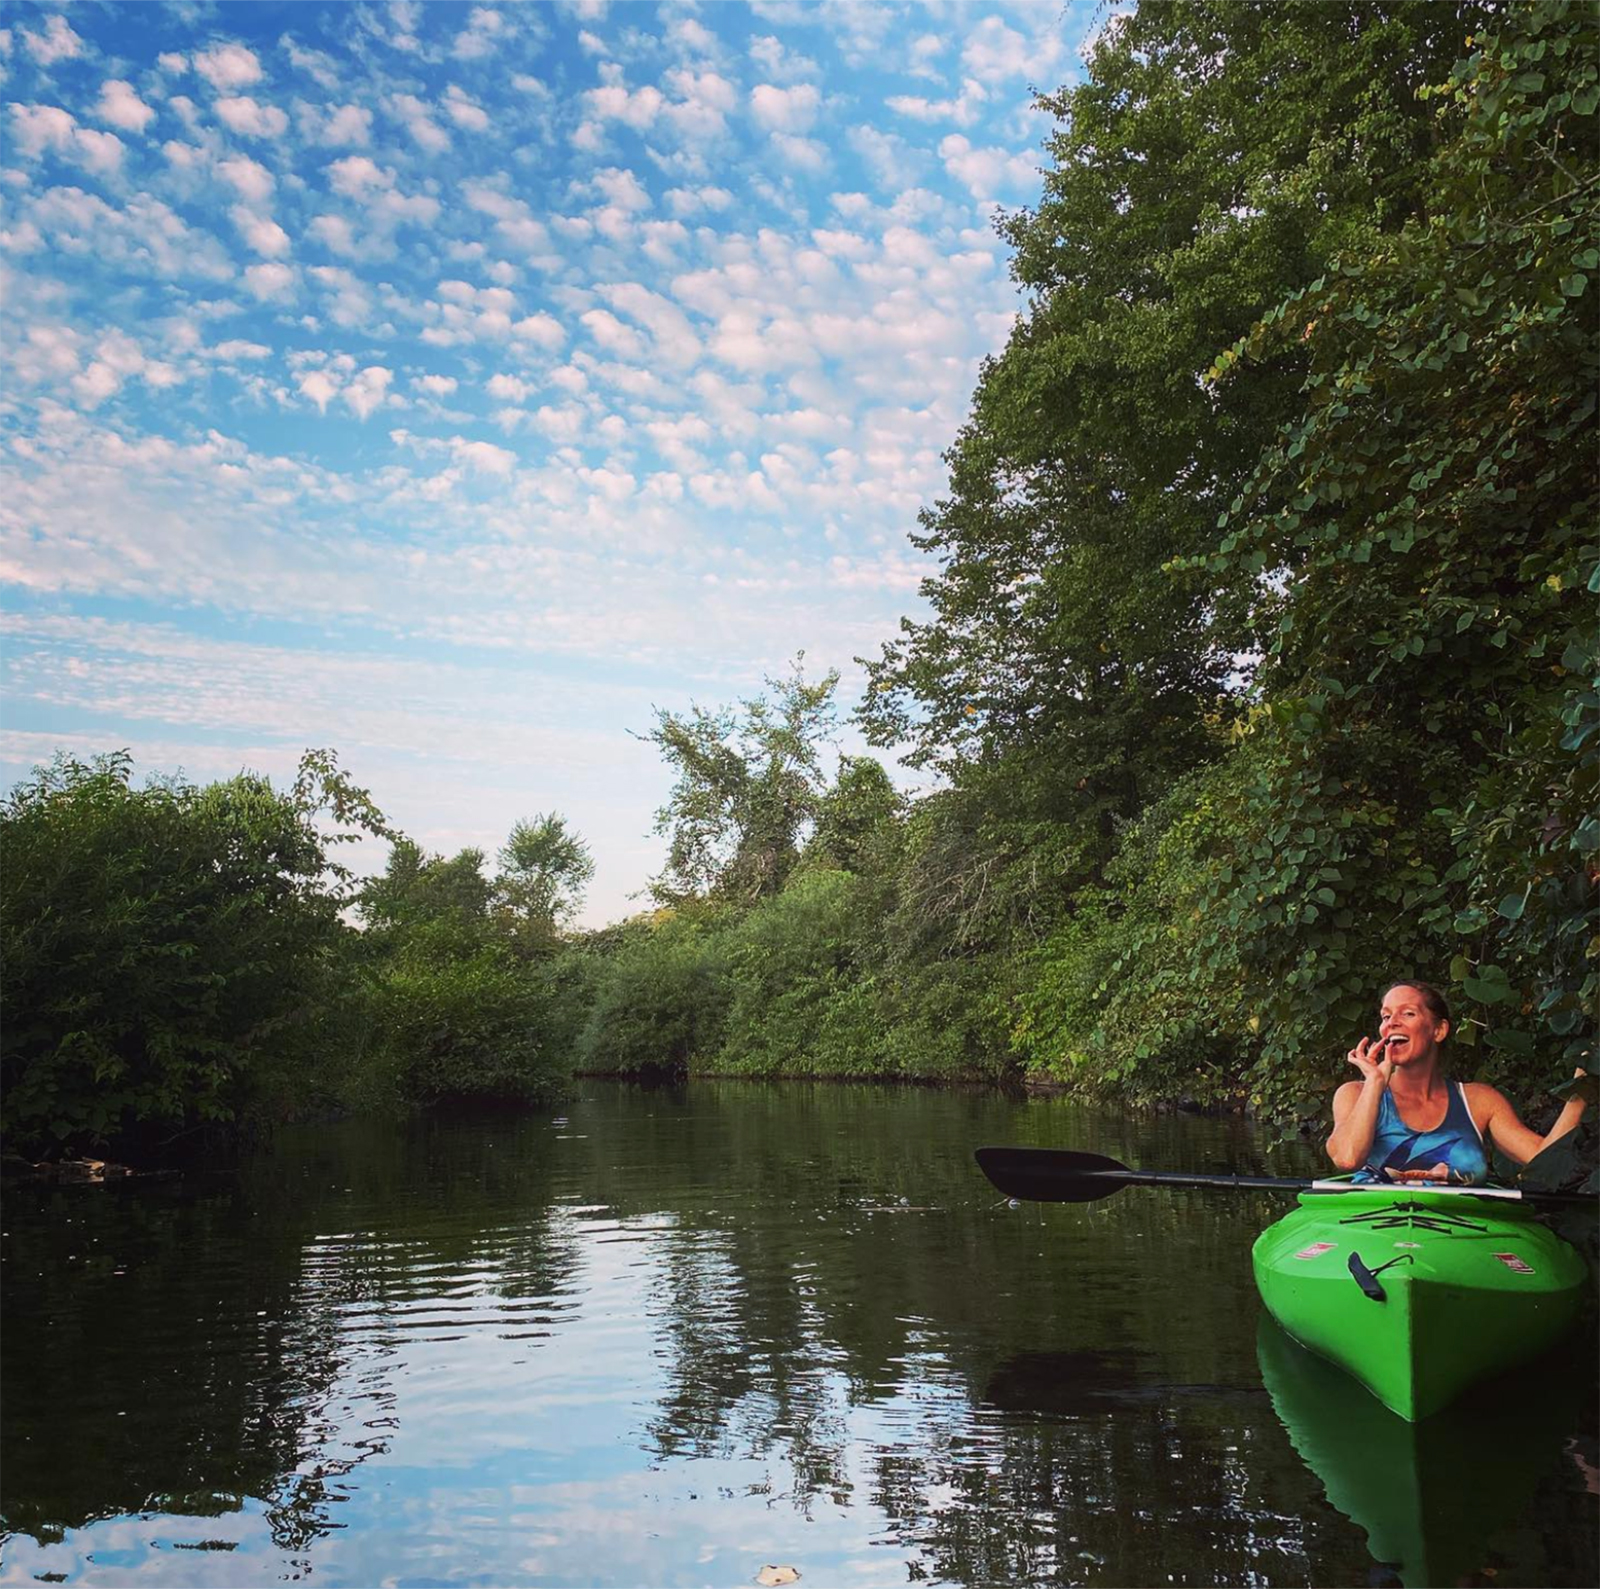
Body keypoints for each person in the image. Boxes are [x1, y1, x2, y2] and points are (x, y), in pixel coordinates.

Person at [1326, 980, 1590, 1184]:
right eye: (1385, 1016)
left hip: (1459, 1237)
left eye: (1407, 1014)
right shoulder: (1354, 1093)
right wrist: (1374, 1083)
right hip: (1373, 1234)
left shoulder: (1479, 1101)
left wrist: (1583, 1086)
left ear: (1438, 1030)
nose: (1391, 1023)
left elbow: (1544, 1161)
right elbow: (1348, 1159)